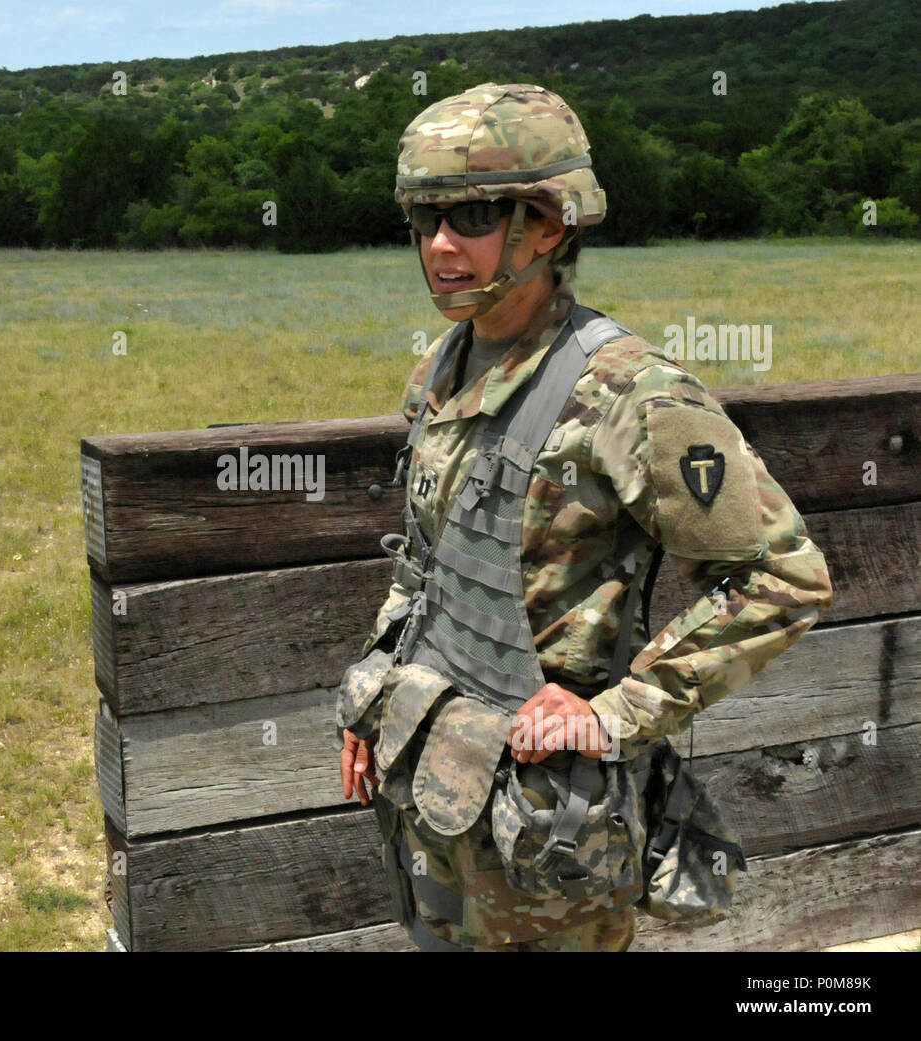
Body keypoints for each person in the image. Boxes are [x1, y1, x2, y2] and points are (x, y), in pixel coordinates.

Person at [335, 82, 833, 952]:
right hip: (435, 775)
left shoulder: (631, 395)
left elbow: (782, 580)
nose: (442, 244)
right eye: (425, 220)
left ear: (552, 223)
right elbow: (423, 564)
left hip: (548, 825)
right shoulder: (442, 370)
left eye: (476, 214)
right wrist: (376, 695)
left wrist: (617, 711)